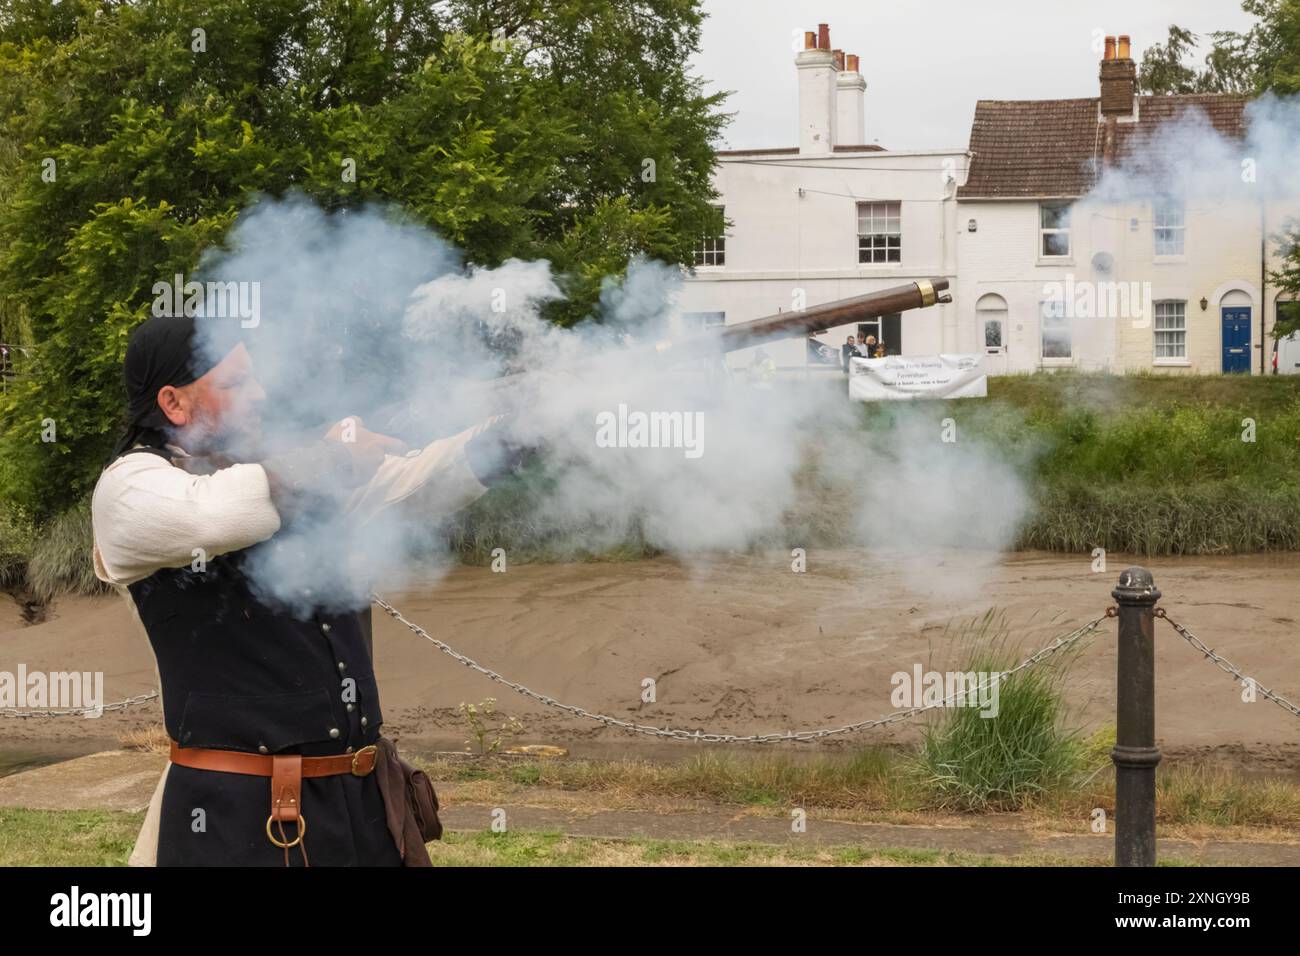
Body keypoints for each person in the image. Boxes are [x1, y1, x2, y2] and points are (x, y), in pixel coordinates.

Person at [93, 314, 526, 867]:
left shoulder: (279, 474)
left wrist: (515, 435)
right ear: (174, 404)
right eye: (235, 384)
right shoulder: (130, 487)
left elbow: (411, 486)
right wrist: (337, 453)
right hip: (234, 821)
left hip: (359, 804)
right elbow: (214, 516)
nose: (261, 394)